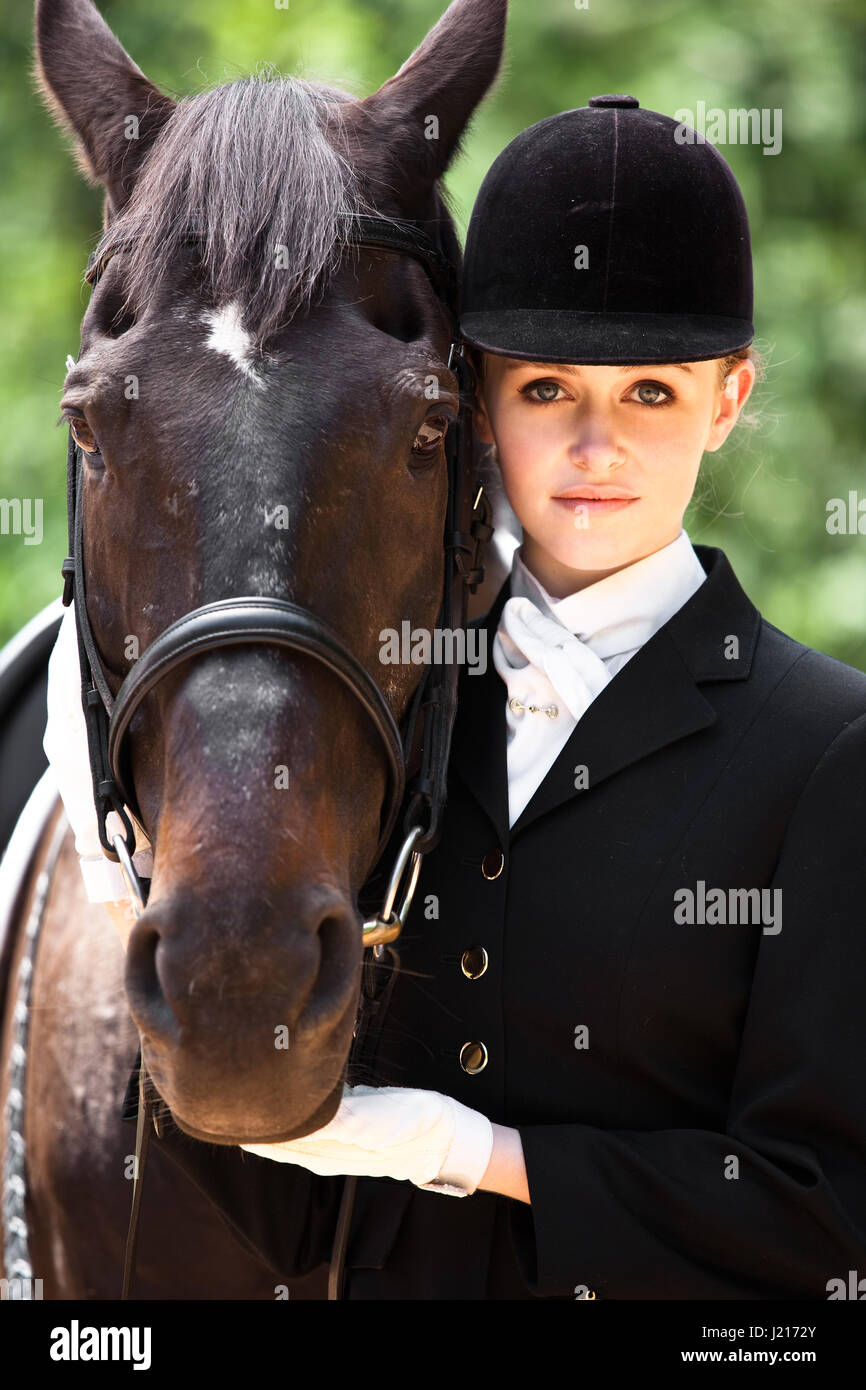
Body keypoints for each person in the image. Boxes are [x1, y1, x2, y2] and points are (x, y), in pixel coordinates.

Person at [43, 95, 866, 1300]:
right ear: (477, 399)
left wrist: (474, 1155)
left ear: (727, 399)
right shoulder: (386, 708)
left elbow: (823, 1213)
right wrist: (141, 886)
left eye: (650, 393)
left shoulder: (824, 745)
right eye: (546, 392)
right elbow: (251, 1182)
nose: (596, 447)